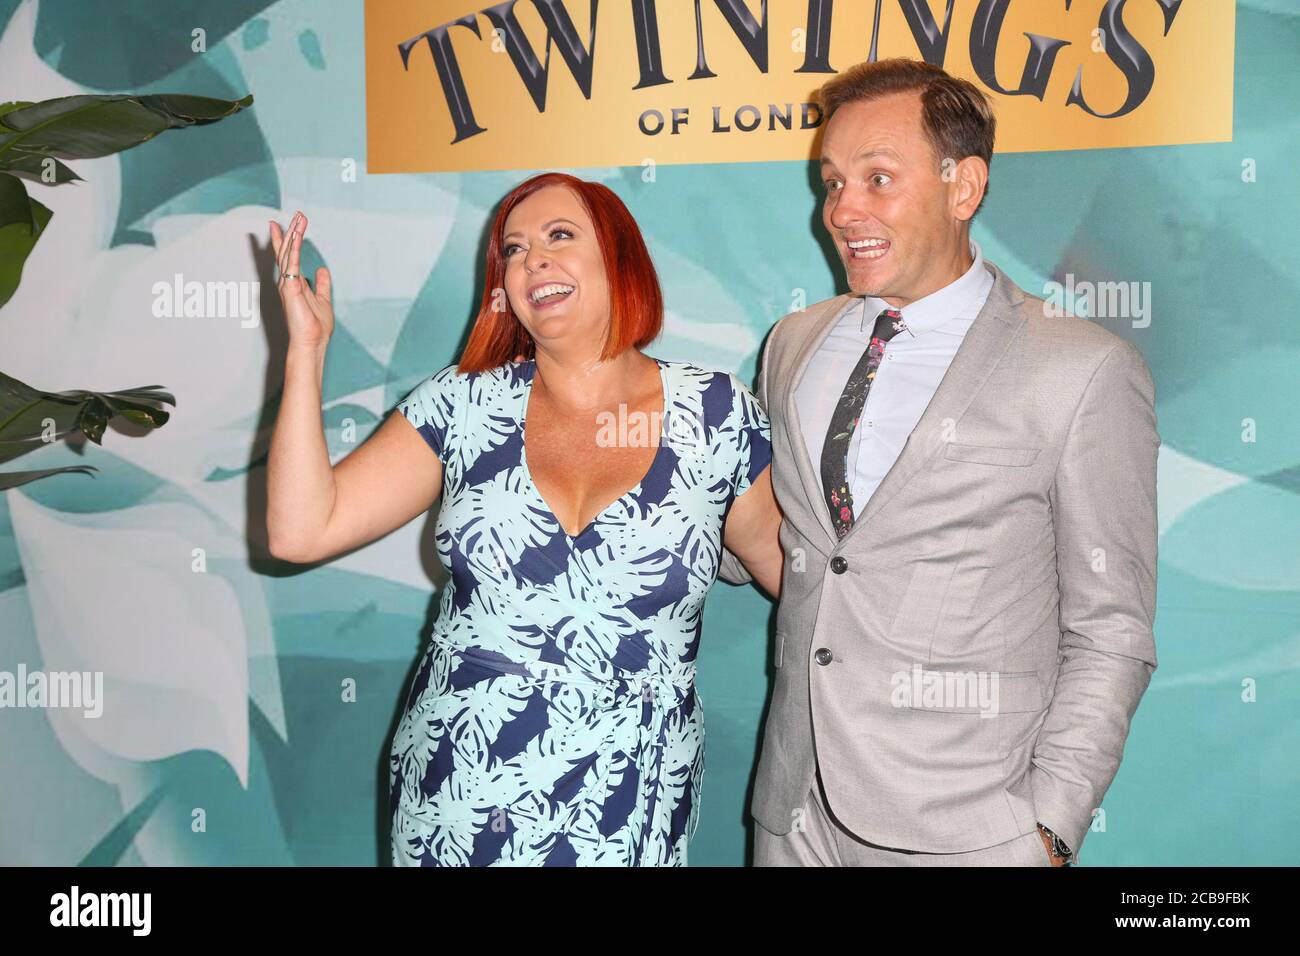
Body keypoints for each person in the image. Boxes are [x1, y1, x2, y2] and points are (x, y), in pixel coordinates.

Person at [265, 172, 782, 866]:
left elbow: (801, 577)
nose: (532, 258)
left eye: (559, 236)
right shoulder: (463, 403)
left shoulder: (714, 414)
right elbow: (301, 531)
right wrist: (305, 350)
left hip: (630, 796)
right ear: (502, 290)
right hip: (461, 787)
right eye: (513, 249)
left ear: (619, 258)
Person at [723, 58, 1160, 866]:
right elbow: (780, 546)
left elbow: (1112, 628)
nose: (843, 209)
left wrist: (1048, 830)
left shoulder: (1080, 368)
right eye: (832, 183)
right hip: (792, 815)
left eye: (878, 179)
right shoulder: (795, 344)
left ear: (965, 189)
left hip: (967, 831)